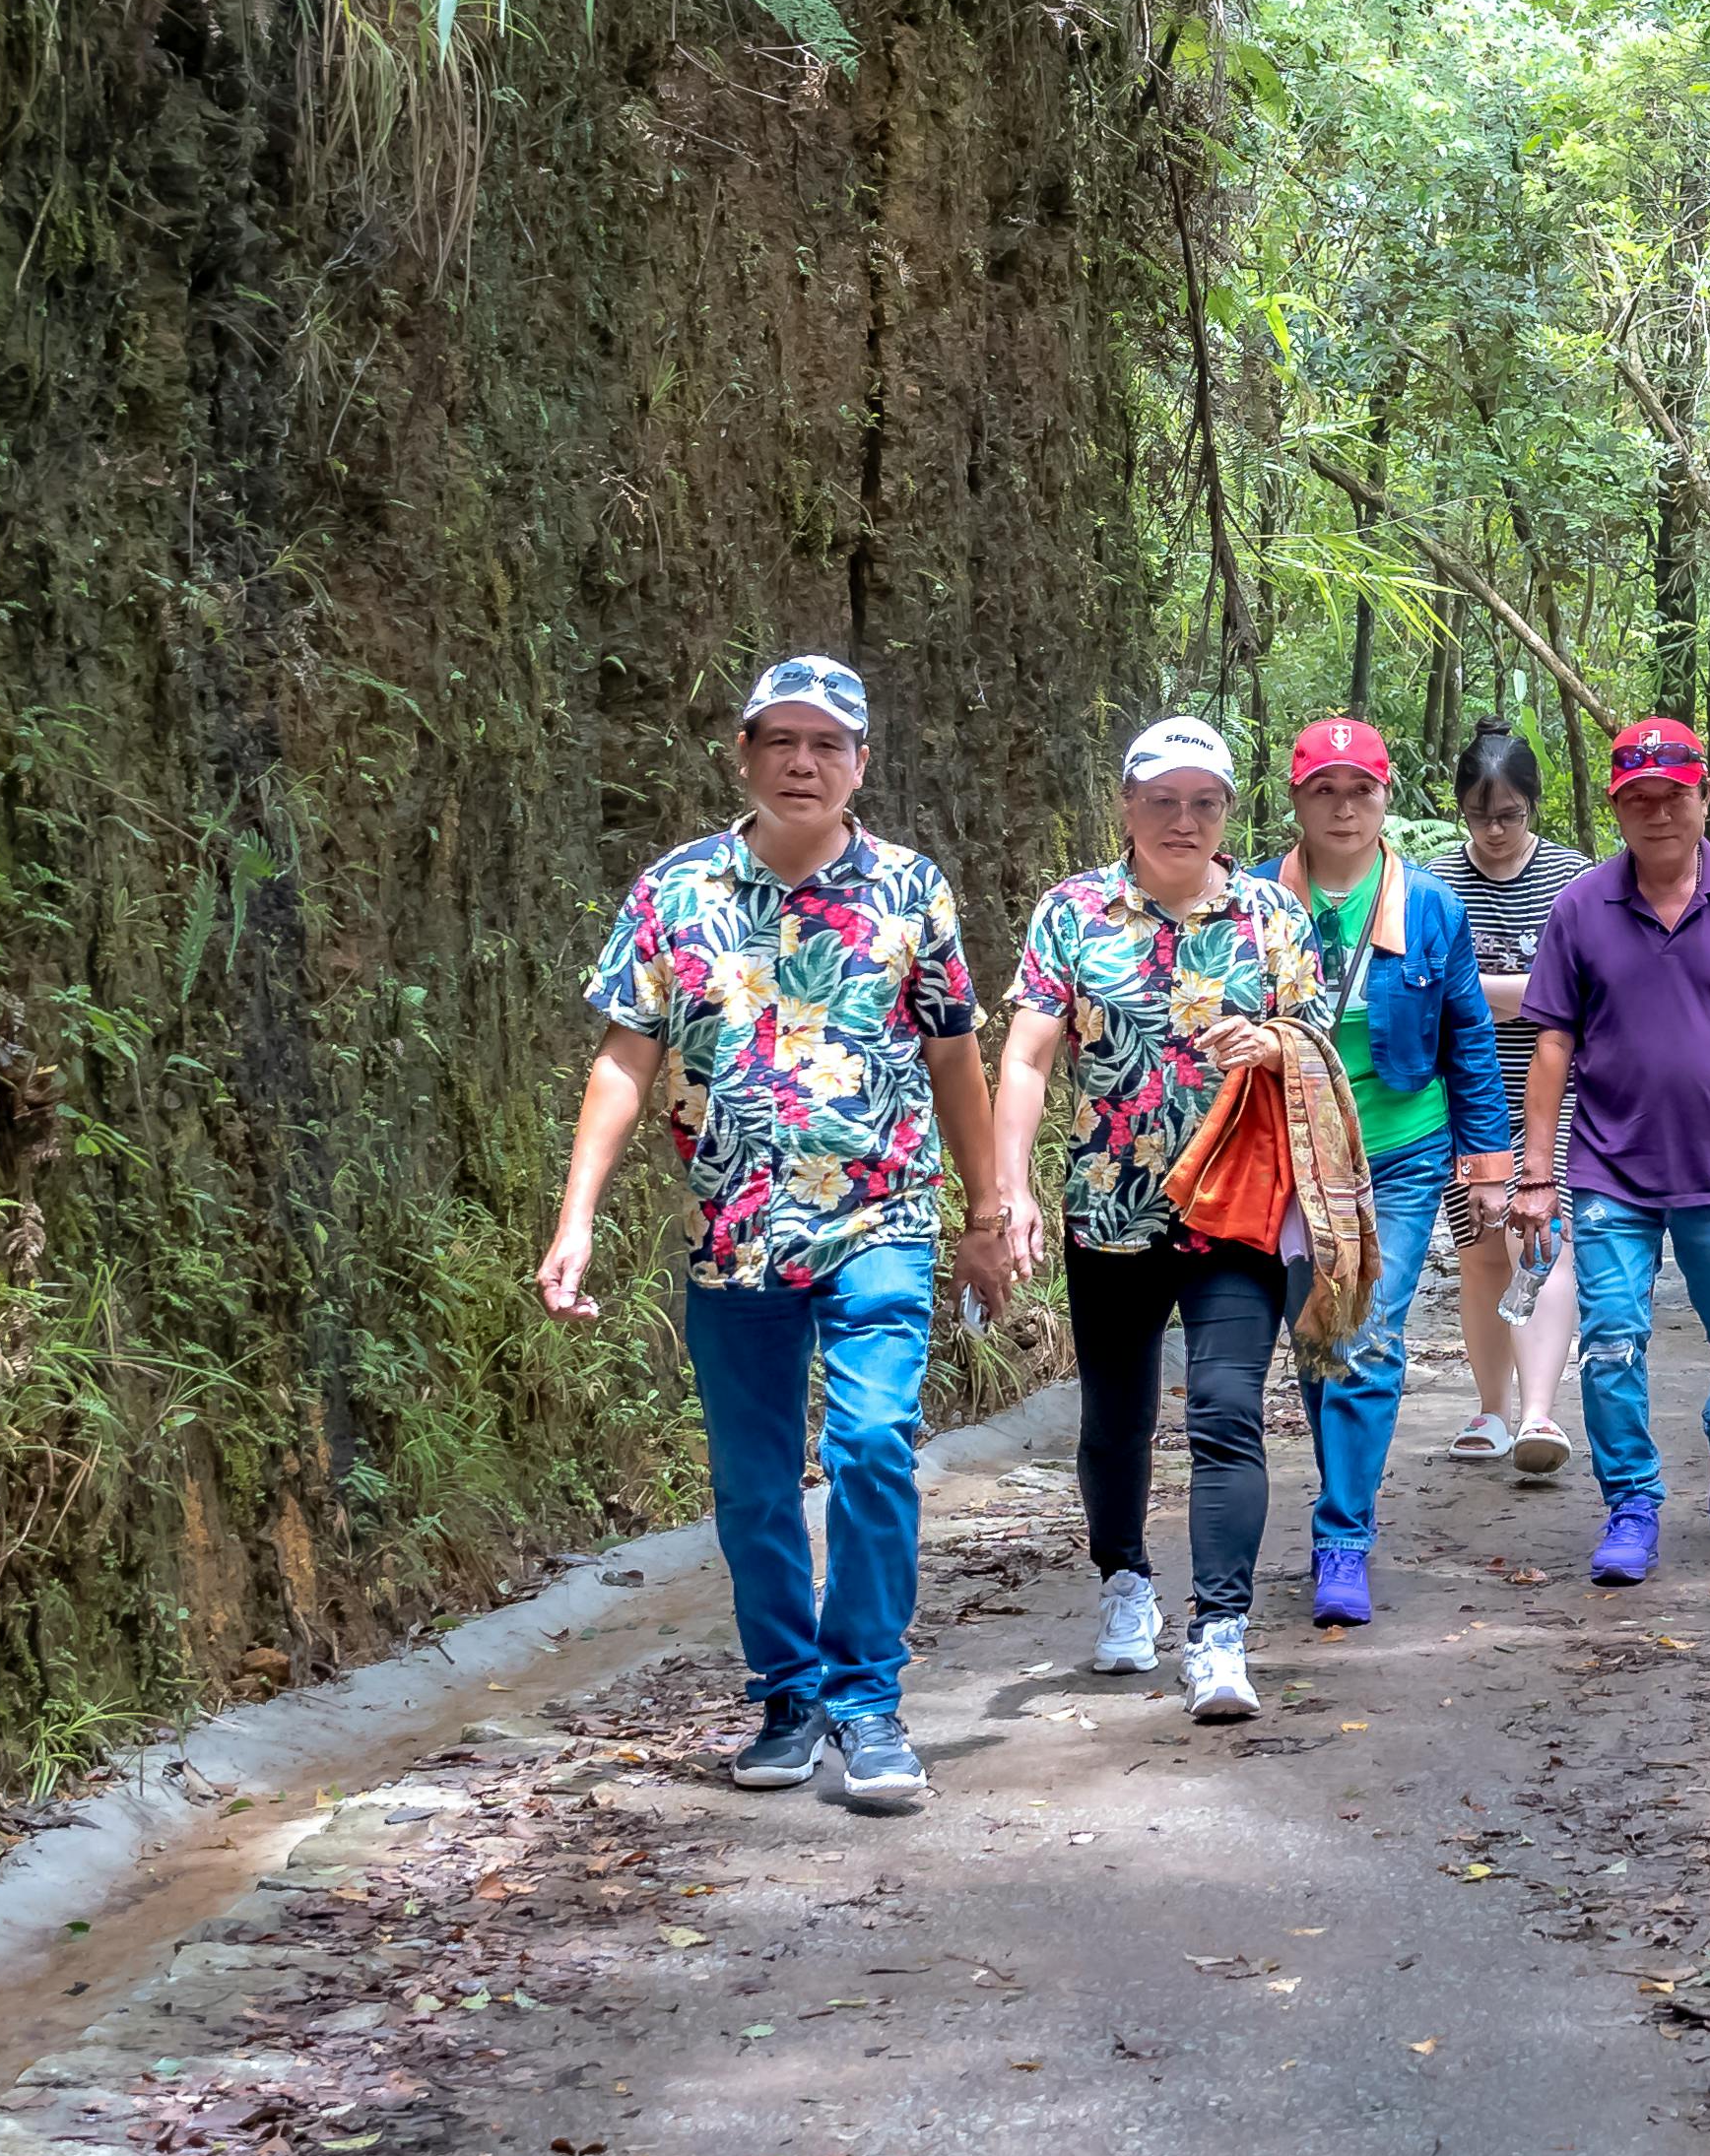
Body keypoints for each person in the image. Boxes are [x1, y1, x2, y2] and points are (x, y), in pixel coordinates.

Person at [539, 655, 999, 1818]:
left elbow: (955, 1056)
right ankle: (787, 1693)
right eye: (780, 739)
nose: (803, 761)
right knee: (751, 1484)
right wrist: (576, 1215)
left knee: (874, 1445)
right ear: (743, 754)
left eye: (827, 743)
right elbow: (623, 1058)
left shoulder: (910, 890)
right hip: (730, 1233)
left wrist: (989, 1206)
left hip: (880, 1217)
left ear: (860, 764)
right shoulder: (675, 892)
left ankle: (869, 1700)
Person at [982, 716, 1338, 1724]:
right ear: (1128, 805)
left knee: (1225, 1411)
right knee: (1117, 1417)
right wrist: (1007, 1189)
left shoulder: (1271, 913)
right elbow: (1025, 1055)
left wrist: (1269, 1043)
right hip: (1112, 1202)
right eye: (1163, 799)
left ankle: (1219, 1631)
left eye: (1205, 801)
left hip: (1239, 1202)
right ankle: (1123, 1579)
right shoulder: (1073, 912)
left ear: (1229, 810)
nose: (1183, 819)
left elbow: (1315, 1050)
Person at [1516, 716, 1710, 1583]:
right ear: (1616, 809)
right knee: (1612, 1337)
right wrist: (1537, 1174)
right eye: (1637, 800)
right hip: (1609, 1166)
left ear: (1702, 801)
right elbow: (1551, 1044)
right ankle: (1631, 1502)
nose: (1658, 813)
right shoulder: (1582, 903)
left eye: (1674, 796)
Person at [1270, 718, 1517, 1627]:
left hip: (1405, 1149)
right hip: (1295, 1152)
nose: (1344, 806)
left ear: (1386, 800)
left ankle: (1342, 1538)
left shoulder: (1430, 905)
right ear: (1295, 799)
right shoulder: (1256, 899)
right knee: (1315, 1340)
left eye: (1360, 790)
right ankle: (1342, 1500)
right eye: (1324, 790)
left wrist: (1490, 1167)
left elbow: (1470, 1037)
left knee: (1365, 1336)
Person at [1434, 724, 1580, 1482]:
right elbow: (1424, 990)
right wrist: (1525, 995)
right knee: (1482, 1251)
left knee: (1540, 1236)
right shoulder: (1429, 882)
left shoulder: (1572, 879)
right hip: (1462, 1093)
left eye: (1509, 815)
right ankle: (1489, 1407)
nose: (1493, 831)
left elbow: (1581, 994)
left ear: (1531, 808)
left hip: (1557, 1091)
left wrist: (1476, 995)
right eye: (1478, 815)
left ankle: (1539, 1411)